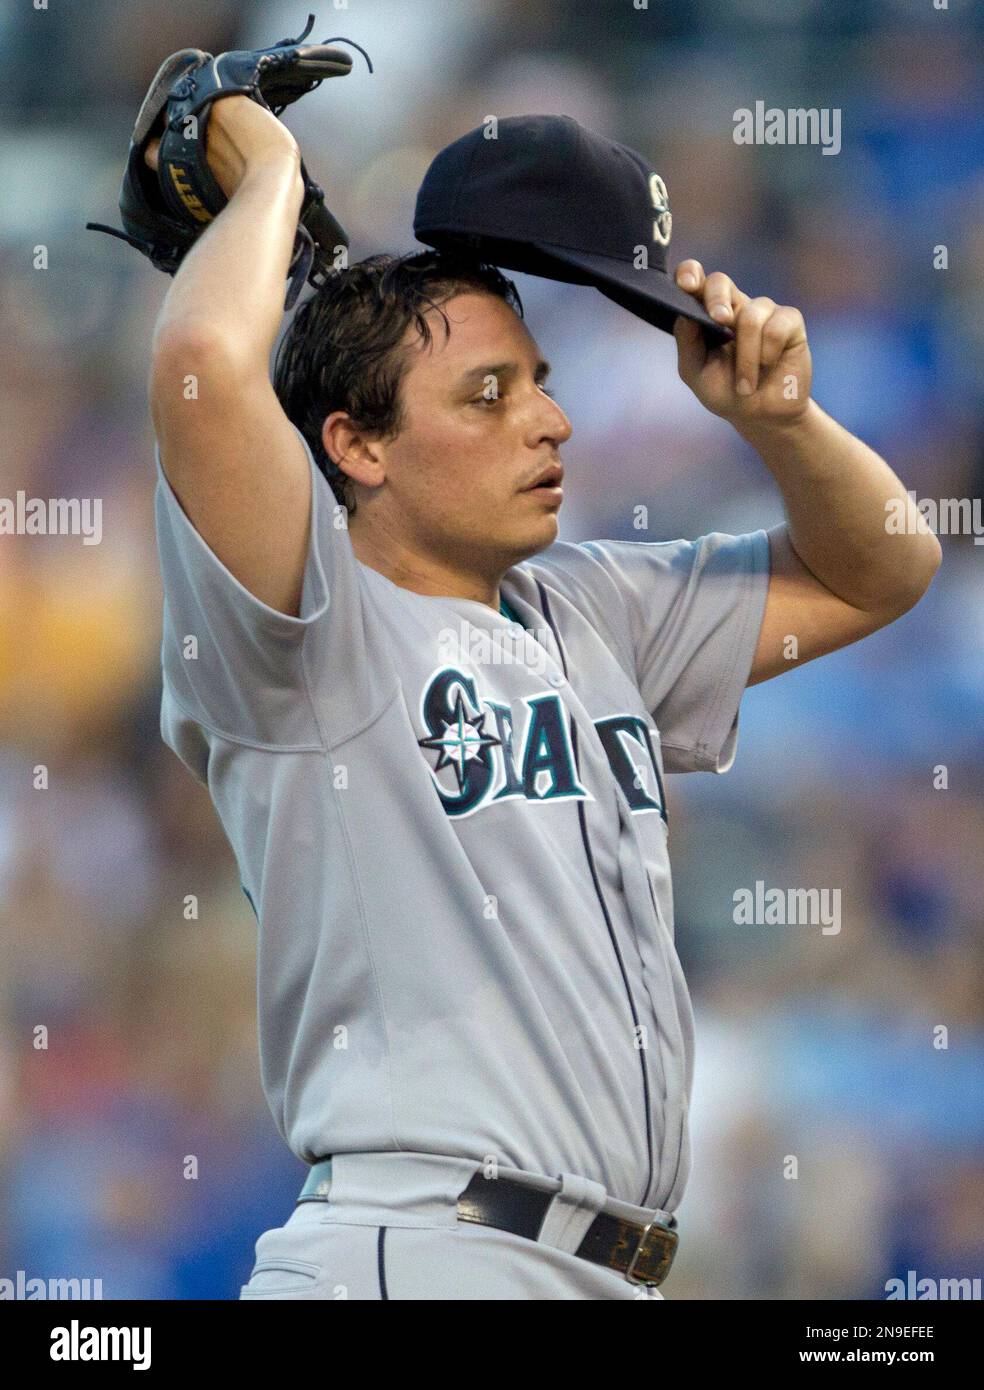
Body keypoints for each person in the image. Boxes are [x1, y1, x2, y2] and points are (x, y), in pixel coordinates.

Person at [146, 95, 941, 1300]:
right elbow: (204, 365)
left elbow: (889, 563)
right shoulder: (303, 632)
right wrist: (268, 165)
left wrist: (780, 423)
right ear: (356, 446)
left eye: (539, 381)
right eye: (487, 395)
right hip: (420, 1249)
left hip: (602, 1268)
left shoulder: (593, 607)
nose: (550, 419)